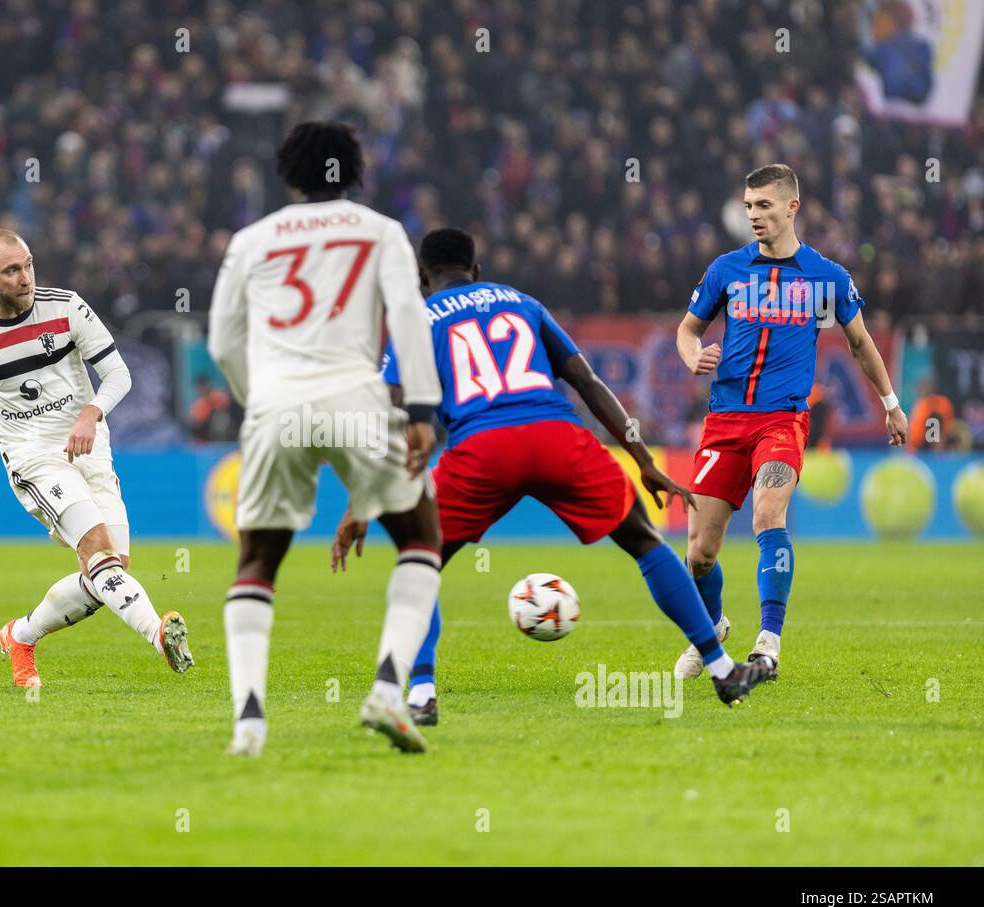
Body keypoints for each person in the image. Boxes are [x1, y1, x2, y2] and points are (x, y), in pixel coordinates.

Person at [332, 227, 776, 723]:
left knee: (420, 560)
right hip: (556, 435)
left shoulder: (415, 319)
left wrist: (360, 502)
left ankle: (420, 696)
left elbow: (389, 414)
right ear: (477, 271)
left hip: (482, 447)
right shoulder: (521, 301)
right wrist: (642, 458)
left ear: (421, 277)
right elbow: (586, 381)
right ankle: (721, 669)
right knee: (645, 542)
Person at [208, 121, 444, 757]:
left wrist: (258, 395)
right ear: (355, 170)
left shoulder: (252, 239)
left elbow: (222, 342)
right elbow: (407, 317)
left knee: (258, 562)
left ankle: (249, 724)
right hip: (355, 397)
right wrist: (422, 407)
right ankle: (390, 691)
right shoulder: (379, 231)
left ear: (288, 175)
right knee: (420, 539)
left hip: (275, 405)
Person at [0, 228, 193, 688]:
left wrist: (92, 412)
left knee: (109, 573)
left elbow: (119, 373)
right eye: (12, 270)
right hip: (33, 455)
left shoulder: (67, 307)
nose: (26, 278)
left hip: (90, 446)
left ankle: (20, 635)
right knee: (99, 552)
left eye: (28, 264)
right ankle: (160, 634)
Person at [675, 164, 908, 680]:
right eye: (749, 206)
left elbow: (861, 343)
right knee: (699, 553)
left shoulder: (826, 277)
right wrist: (692, 356)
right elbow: (687, 331)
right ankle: (713, 627)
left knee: (767, 515)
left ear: (791, 207)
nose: (754, 215)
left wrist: (891, 403)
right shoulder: (726, 271)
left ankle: (768, 642)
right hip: (724, 421)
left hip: (782, 420)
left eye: (764, 206)